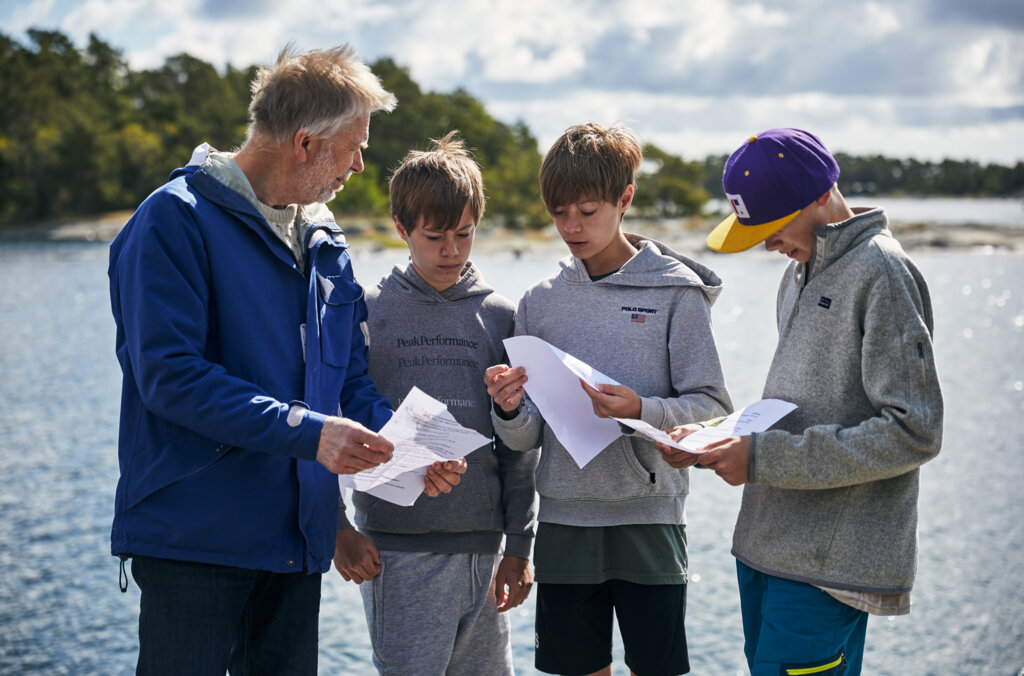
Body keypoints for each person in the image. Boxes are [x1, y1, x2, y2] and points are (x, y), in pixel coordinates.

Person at [108, 45, 464, 675]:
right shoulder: (171, 221)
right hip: (196, 540)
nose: (359, 165)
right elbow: (171, 378)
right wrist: (309, 432)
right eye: (354, 147)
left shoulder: (325, 242)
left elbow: (348, 379)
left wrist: (408, 444)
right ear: (304, 143)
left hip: (295, 543)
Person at [655, 127, 944, 676]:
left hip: (826, 568)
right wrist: (714, 437)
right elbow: (799, 406)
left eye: (773, 227)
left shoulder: (883, 272)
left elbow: (916, 430)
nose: (768, 245)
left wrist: (761, 458)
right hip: (767, 548)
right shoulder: (797, 273)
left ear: (818, 194)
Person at [484, 123, 733, 676]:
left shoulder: (676, 294)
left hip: (651, 520)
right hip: (565, 523)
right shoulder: (539, 304)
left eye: (587, 212)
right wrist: (508, 409)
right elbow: (527, 439)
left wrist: (641, 410)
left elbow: (713, 406)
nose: (571, 227)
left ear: (625, 200)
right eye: (559, 213)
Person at [332, 131, 540, 675]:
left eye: (464, 235)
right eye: (435, 237)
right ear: (402, 229)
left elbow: (519, 448)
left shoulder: (500, 316)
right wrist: (336, 529)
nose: (451, 251)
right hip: (394, 553)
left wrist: (520, 544)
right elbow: (329, 425)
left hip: (487, 551)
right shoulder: (367, 313)